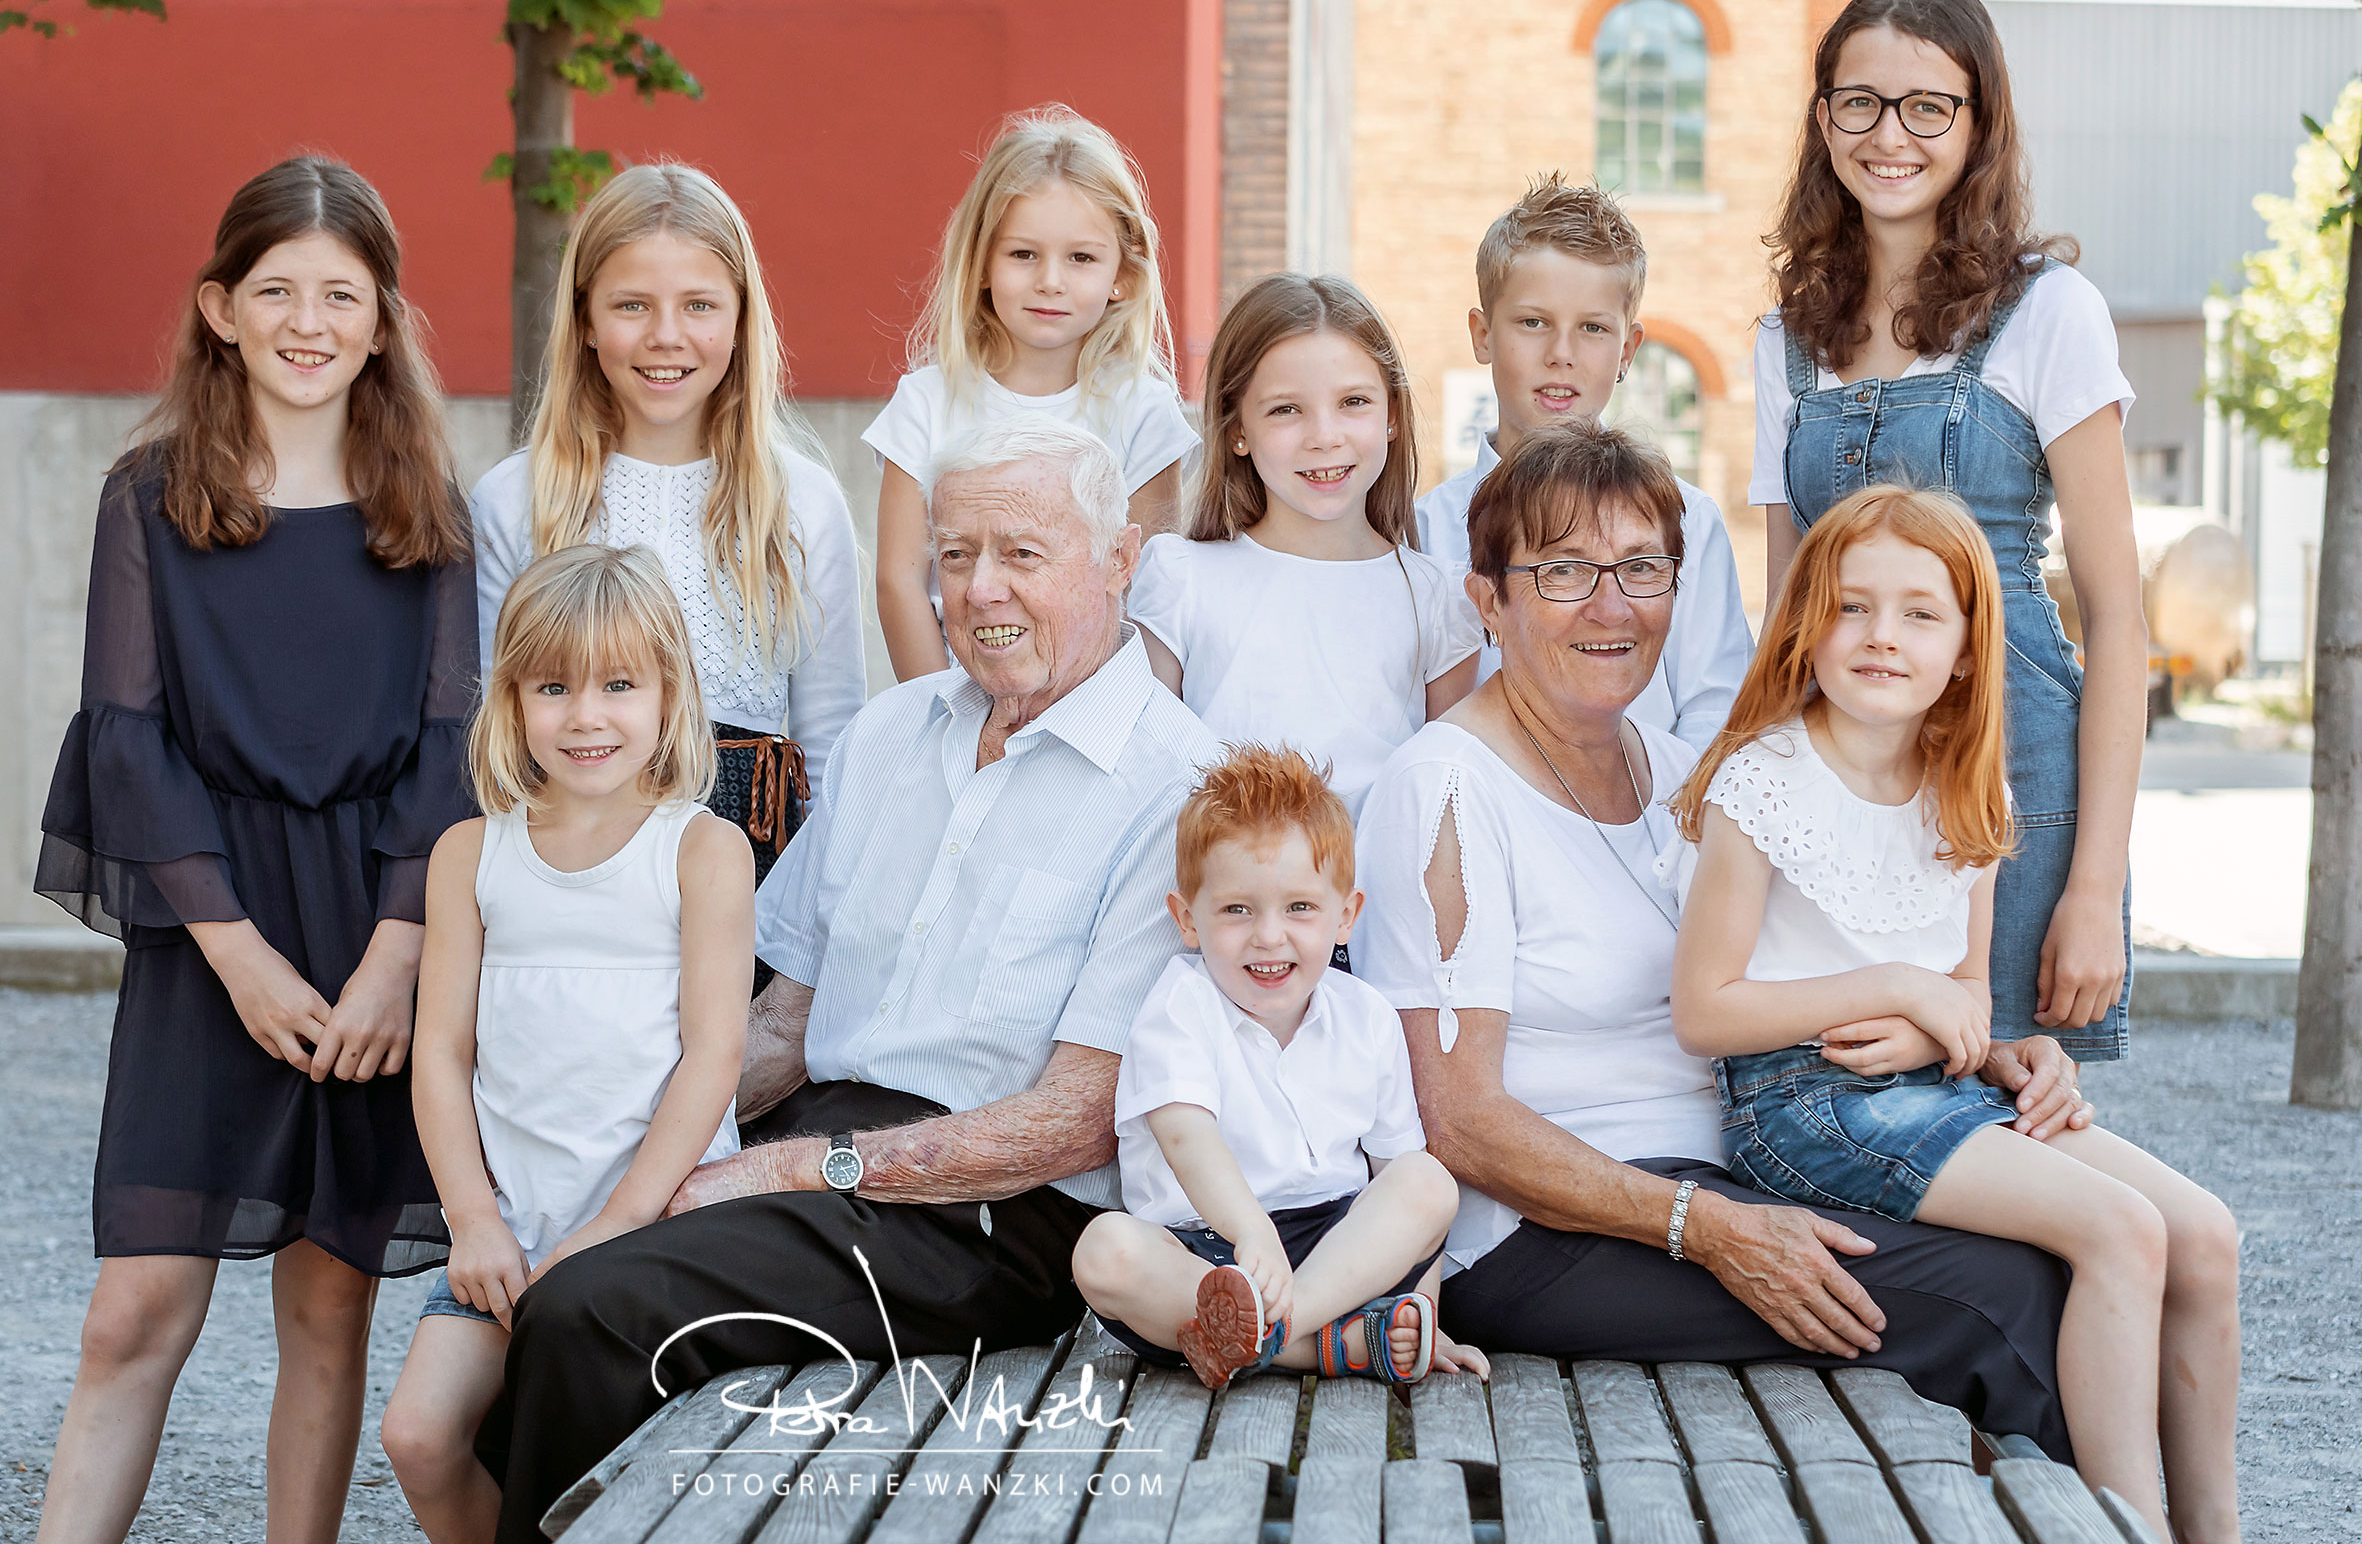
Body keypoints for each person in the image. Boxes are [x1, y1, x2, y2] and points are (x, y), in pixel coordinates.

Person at [472, 414, 1223, 1544]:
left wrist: (791, 1171)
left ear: (1117, 563)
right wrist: (619, 1153)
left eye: (1022, 554)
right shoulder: (888, 735)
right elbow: (782, 1022)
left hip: (987, 1217)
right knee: (560, 1253)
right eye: (955, 555)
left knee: (597, 1312)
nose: (979, 590)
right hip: (822, 1161)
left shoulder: (1175, 783)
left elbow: (1078, 1122)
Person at [1354, 419, 2087, 1458]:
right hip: (1542, 1236)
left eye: (1641, 569)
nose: (1611, 606)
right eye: (1563, 571)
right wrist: (1701, 1227)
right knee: (1996, 1296)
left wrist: (1976, 1044)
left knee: (2044, 1244)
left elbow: (1805, 978)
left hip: (1742, 1165)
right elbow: (1457, 1119)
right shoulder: (1443, 788)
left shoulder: (1675, 772)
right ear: (1487, 601)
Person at [32, 157, 476, 1543]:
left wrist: (401, 953)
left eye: (340, 291)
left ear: (383, 313)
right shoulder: (150, 496)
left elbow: (449, 739)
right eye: (275, 288)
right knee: (135, 1303)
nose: (308, 318)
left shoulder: (430, 509)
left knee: (328, 1295)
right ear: (220, 308)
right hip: (208, 930)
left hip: (370, 938)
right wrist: (233, 951)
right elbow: (126, 735)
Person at [1663, 486, 2240, 1542]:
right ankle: (2127, 1528)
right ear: (1807, 624)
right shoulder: (1764, 782)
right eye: (1852, 607)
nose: (1882, 636)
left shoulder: (1965, 790)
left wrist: (1945, 1028)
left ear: (1969, 648)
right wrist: (1893, 991)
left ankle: (2217, 1529)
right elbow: (1703, 1011)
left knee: (2203, 1235)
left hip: (1928, 1083)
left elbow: (1965, 990)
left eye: (1921, 614)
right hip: (1801, 1106)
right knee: (2118, 1231)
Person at [1753, 0, 2142, 1060]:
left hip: (2015, 784)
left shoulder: (2048, 312)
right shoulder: (1784, 337)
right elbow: (1788, 608)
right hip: (1849, 783)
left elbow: (2117, 619)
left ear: (1978, 125)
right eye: (1859, 101)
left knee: (2020, 1109)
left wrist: (2094, 887)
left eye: (1928, 105)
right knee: (1863, 1104)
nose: (1889, 134)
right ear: (1823, 115)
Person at [380, 545, 752, 1543]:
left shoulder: (704, 851)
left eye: (619, 685)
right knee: (419, 1436)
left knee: (620, 1464)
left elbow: (715, 1056)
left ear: (669, 696)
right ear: (511, 702)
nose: (587, 716)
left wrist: (621, 1221)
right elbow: (440, 1056)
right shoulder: (472, 854)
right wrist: (471, 1221)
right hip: (512, 1231)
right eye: (554, 687)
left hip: (651, 1223)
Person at [471, 163, 864, 883]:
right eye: (631, 306)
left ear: (742, 318)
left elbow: (834, 750)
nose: (666, 336)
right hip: (565, 881)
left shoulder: (801, 504)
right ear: (585, 318)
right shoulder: (514, 500)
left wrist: (799, 973)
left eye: (700, 306)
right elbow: (496, 738)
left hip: (756, 893)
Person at [1071, 745, 1479, 1389]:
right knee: (1105, 1251)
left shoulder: (1366, 1016)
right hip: (1205, 1256)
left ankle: (1277, 1333)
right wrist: (1250, 1233)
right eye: (1237, 909)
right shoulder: (1179, 1007)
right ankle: (1326, 1346)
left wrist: (1424, 1317)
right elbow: (1187, 1136)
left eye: (1300, 908)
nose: (1268, 936)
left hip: (1336, 1249)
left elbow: (1395, 1174)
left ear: (1345, 916)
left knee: (1427, 1181)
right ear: (1187, 919)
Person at [1129, 274, 1481, 820]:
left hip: (1377, 896)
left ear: (1391, 415)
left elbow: (1446, 801)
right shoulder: (1181, 579)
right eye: (1285, 410)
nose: (1324, 435)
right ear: (1236, 430)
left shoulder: (1437, 598)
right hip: (1220, 896)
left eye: (1353, 402)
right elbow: (1145, 781)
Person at [1414, 173, 1752, 740]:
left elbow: (1715, 712)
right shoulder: (1422, 531)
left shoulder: (1688, 521)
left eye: (1592, 328)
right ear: (1481, 335)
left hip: (1648, 819)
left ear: (1628, 349)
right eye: (1533, 322)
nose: (1561, 354)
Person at [869, 106, 1196, 681]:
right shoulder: (924, 403)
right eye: (1023, 254)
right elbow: (900, 581)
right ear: (982, 264)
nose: (1050, 279)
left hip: (1094, 716)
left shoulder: (1143, 411)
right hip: (958, 704)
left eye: (1081, 258)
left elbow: (1150, 590)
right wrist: (939, 721)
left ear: (1122, 274)